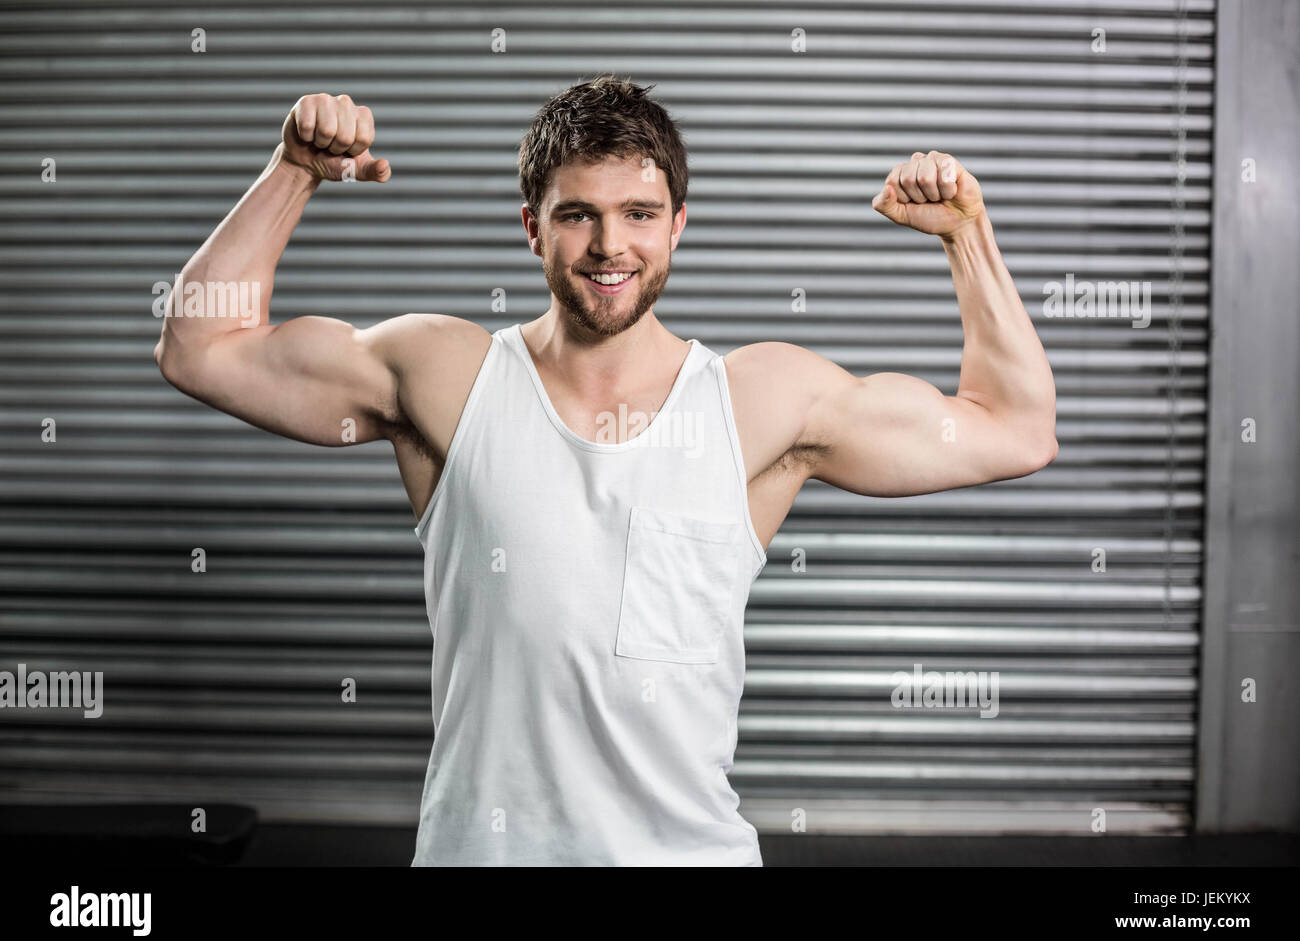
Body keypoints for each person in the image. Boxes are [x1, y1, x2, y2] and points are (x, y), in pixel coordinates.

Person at [153, 75, 1057, 866]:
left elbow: (1014, 430)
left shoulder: (763, 400)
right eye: (577, 214)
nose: (608, 246)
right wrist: (294, 171)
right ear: (531, 228)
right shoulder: (445, 375)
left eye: (639, 215)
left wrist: (965, 239)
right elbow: (200, 349)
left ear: (679, 226)